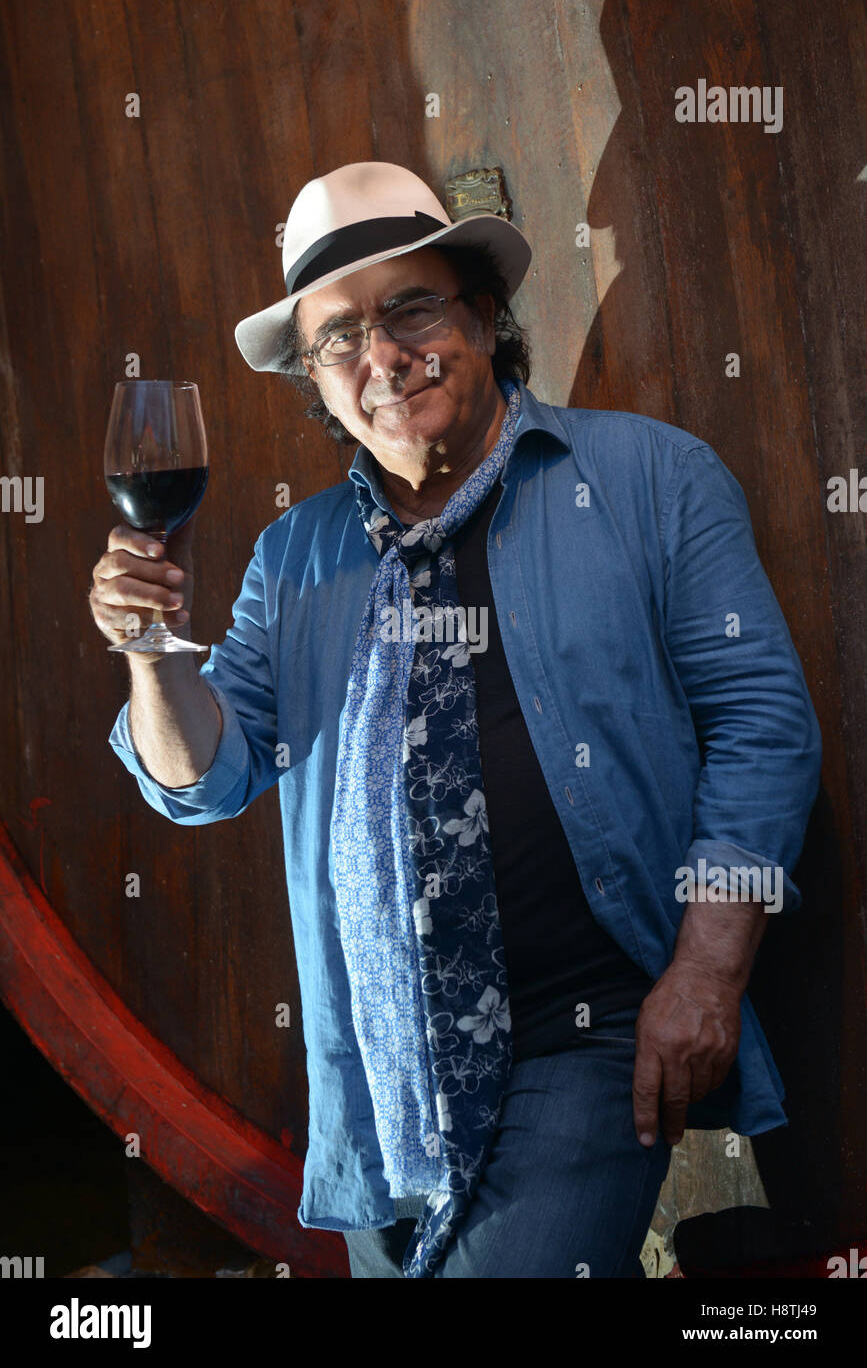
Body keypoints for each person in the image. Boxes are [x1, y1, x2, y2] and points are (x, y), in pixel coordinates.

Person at [89, 162, 822, 1278]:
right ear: (319, 385)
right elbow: (205, 779)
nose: (381, 357)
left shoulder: (646, 477)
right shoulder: (295, 560)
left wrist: (708, 972)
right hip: (381, 1081)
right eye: (338, 338)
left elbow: (765, 726)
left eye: (411, 308)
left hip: (587, 1031)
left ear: (483, 314)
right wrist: (151, 647)